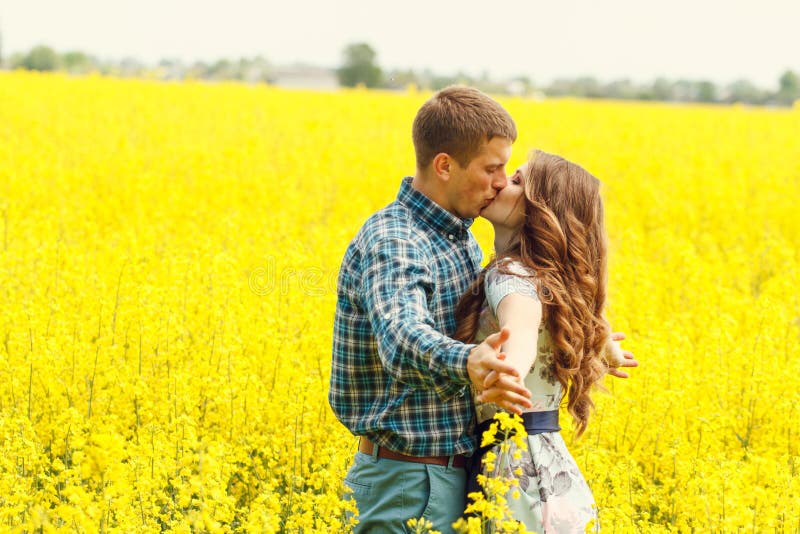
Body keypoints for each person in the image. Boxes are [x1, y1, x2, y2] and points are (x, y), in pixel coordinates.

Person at [329, 86, 532, 533]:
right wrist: (468, 361)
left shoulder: (456, 237)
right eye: (491, 168)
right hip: (406, 483)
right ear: (444, 165)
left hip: (446, 476)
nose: (501, 182)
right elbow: (401, 336)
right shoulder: (396, 239)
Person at [454, 150, 635, 532]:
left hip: (519, 483)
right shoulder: (550, 280)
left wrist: (510, 368)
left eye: (517, 182)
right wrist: (610, 351)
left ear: (543, 211)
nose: (501, 182)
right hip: (551, 478)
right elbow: (590, 317)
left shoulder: (510, 277)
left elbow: (519, 333)